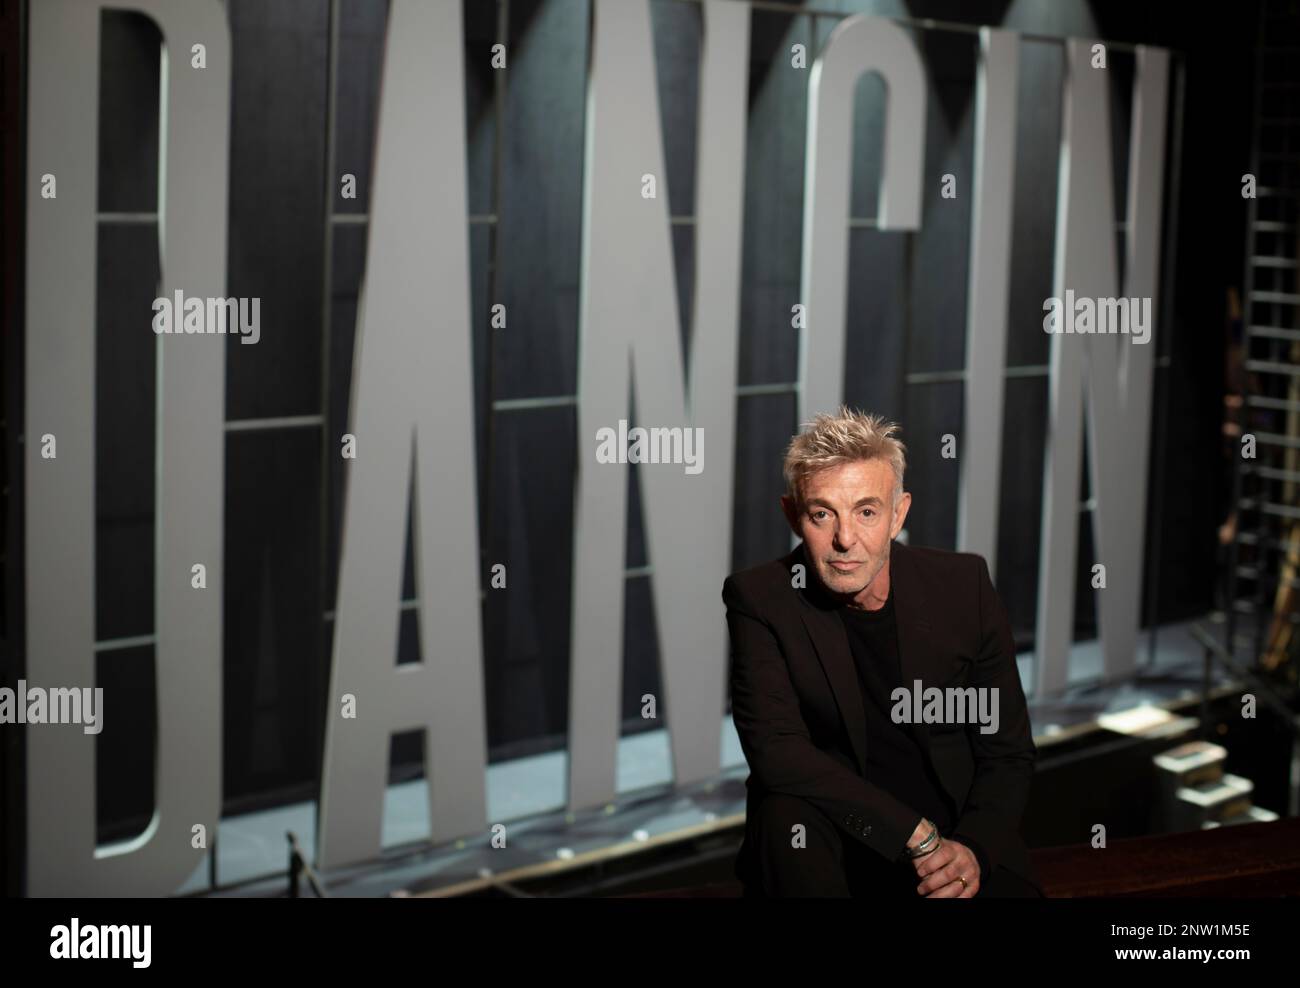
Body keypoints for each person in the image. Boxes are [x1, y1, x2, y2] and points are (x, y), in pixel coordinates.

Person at [725, 407, 1044, 897]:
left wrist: (972, 849)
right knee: (784, 810)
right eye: (822, 513)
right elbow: (778, 752)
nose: (845, 540)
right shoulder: (761, 598)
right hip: (838, 838)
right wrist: (915, 836)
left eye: (867, 511)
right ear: (793, 515)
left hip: (955, 832)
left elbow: (1006, 749)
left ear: (899, 514)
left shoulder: (963, 585)